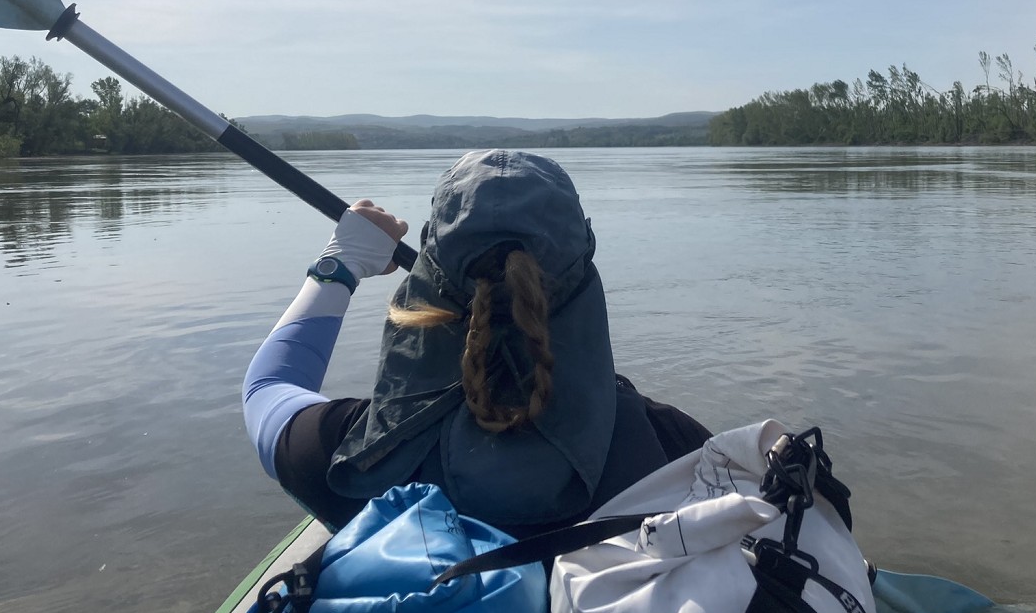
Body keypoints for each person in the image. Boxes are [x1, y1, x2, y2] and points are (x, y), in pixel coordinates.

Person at [243, 149, 711, 537]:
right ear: (583, 271)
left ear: (427, 275)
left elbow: (265, 387)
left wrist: (341, 265)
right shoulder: (677, 450)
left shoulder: (353, 458)